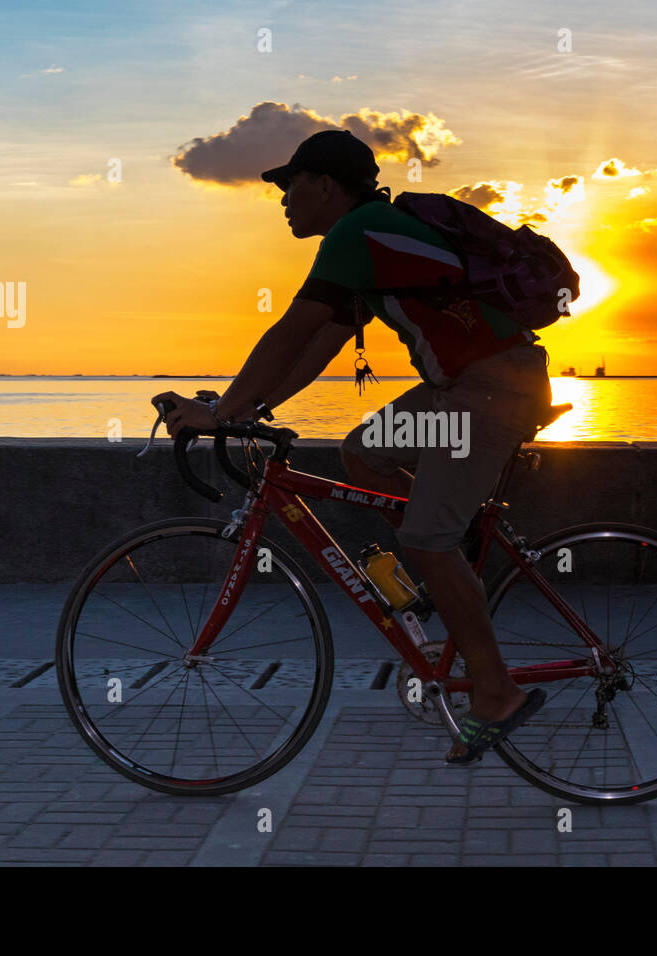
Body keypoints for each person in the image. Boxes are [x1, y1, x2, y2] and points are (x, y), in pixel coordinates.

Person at [152, 129, 550, 763]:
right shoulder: (371, 239)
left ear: (325, 186)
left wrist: (218, 414)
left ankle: (496, 691)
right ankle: (447, 554)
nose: (282, 199)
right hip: (469, 388)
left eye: (290, 186)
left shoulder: (358, 233)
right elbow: (320, 344)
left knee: (425, 537)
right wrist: (250, 410)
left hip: (489, 392)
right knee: (363, 450)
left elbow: (289, 331)